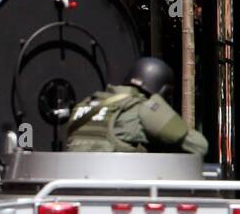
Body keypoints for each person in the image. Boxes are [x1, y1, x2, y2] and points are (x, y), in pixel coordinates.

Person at [66, 56, 208, 156]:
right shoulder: (142, 108)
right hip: (121, 189)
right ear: (161, 91)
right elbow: (199, 146)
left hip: (72, 188)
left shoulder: (85, 105)